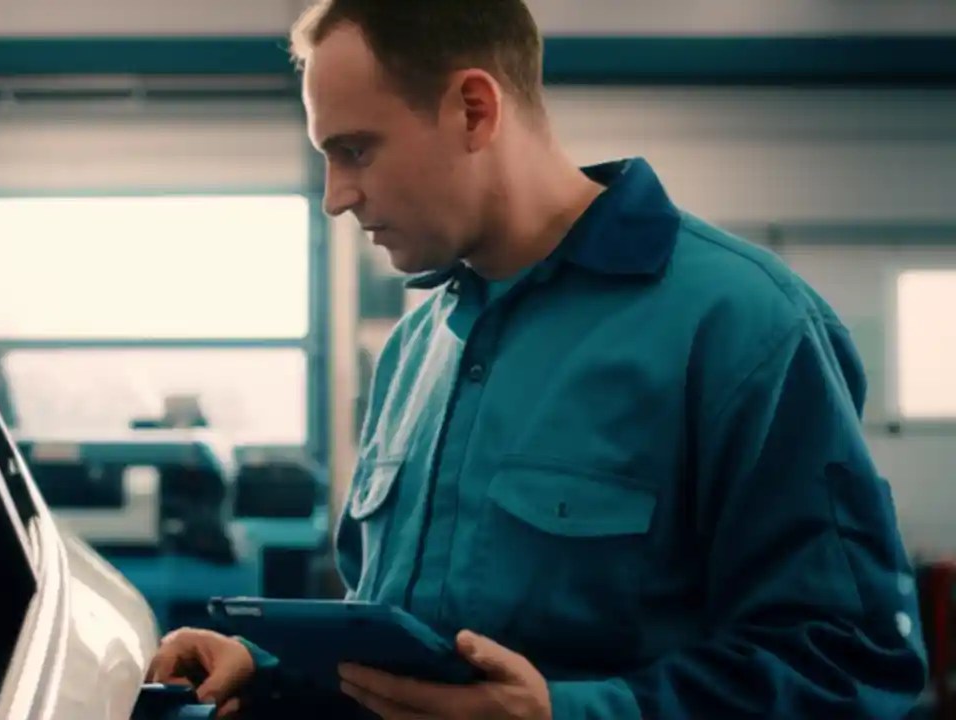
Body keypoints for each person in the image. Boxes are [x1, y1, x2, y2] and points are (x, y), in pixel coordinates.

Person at [147, 1, 929, 717]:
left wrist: (567, 713)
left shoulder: (746, 328)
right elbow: (404, 645)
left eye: (355, 150)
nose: (335, 196)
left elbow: (851, 668)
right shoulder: (417, 351)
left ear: (474, 109)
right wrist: (270, 669)